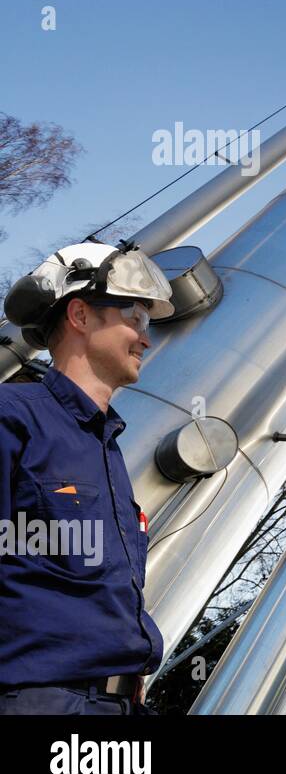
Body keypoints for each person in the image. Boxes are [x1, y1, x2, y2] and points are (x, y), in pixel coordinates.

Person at [0, 241, 174, 715]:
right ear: (80, 315)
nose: (145, 337)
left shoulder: (107, 447)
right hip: (43, 701)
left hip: (119, 704)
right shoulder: (13, 417)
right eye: (134, 318)